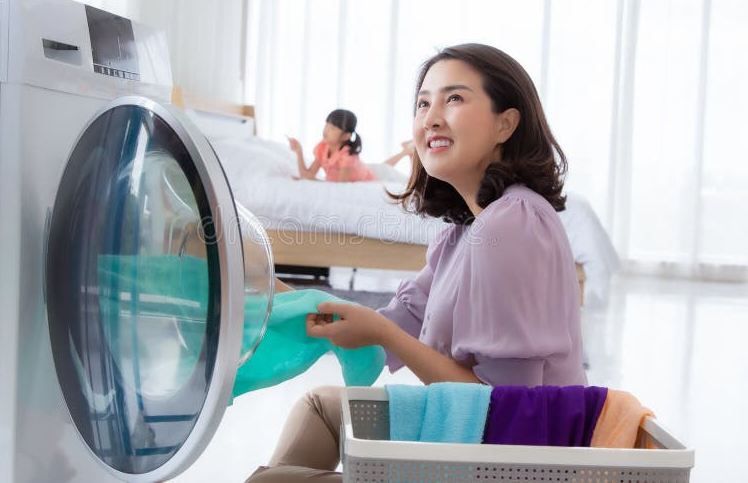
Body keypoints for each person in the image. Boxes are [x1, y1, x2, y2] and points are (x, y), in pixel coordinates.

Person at [247, 43, 585, 482]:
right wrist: (280, 295)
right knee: (320, 406)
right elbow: (395, 320)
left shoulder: (512, 223)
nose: (431, 117)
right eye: (423, 102)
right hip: (475, 438)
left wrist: (382, 332)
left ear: (507, 123)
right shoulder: (463, 230)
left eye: (455, 98)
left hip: (518, 466)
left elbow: (507, 408)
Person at [287, 109, 414, 182]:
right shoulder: (322, 147)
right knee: (383, 166)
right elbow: (307, 175)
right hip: (363, 169)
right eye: (326, 125)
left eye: (332, 128)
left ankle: (407, 151)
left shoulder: (347, 156)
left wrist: (312, 180)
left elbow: (340, 187)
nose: (326, 130)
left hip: (369, 177)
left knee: (387, 170)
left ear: (346, 136)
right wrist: (299, 152)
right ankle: (405, 150)